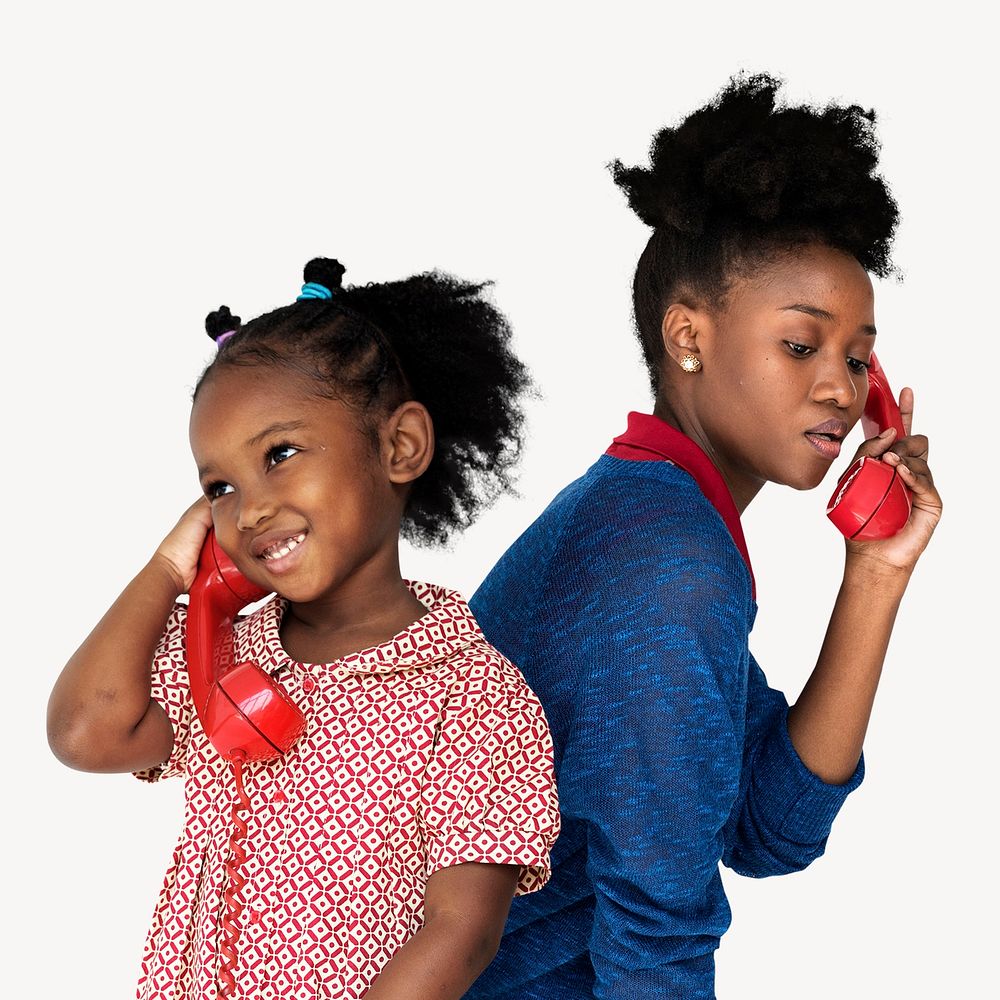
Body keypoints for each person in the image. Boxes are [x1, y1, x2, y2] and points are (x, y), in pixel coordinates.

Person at [464, 74, 943, 998]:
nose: (843, 391)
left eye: (857, 357)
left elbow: (769, 827)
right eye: (801, 346)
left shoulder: (659, 519)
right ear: (687, 335)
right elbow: (658, 935)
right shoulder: (664, 567)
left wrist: (876, 575)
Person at [46, 258, 560, 1000]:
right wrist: (168, 566)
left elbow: (462, 932)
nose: (249, 509)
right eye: (219, 487)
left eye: (279, 455)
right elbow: (85, 732)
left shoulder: (476, 697)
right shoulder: (223, 654)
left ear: (399, 447)